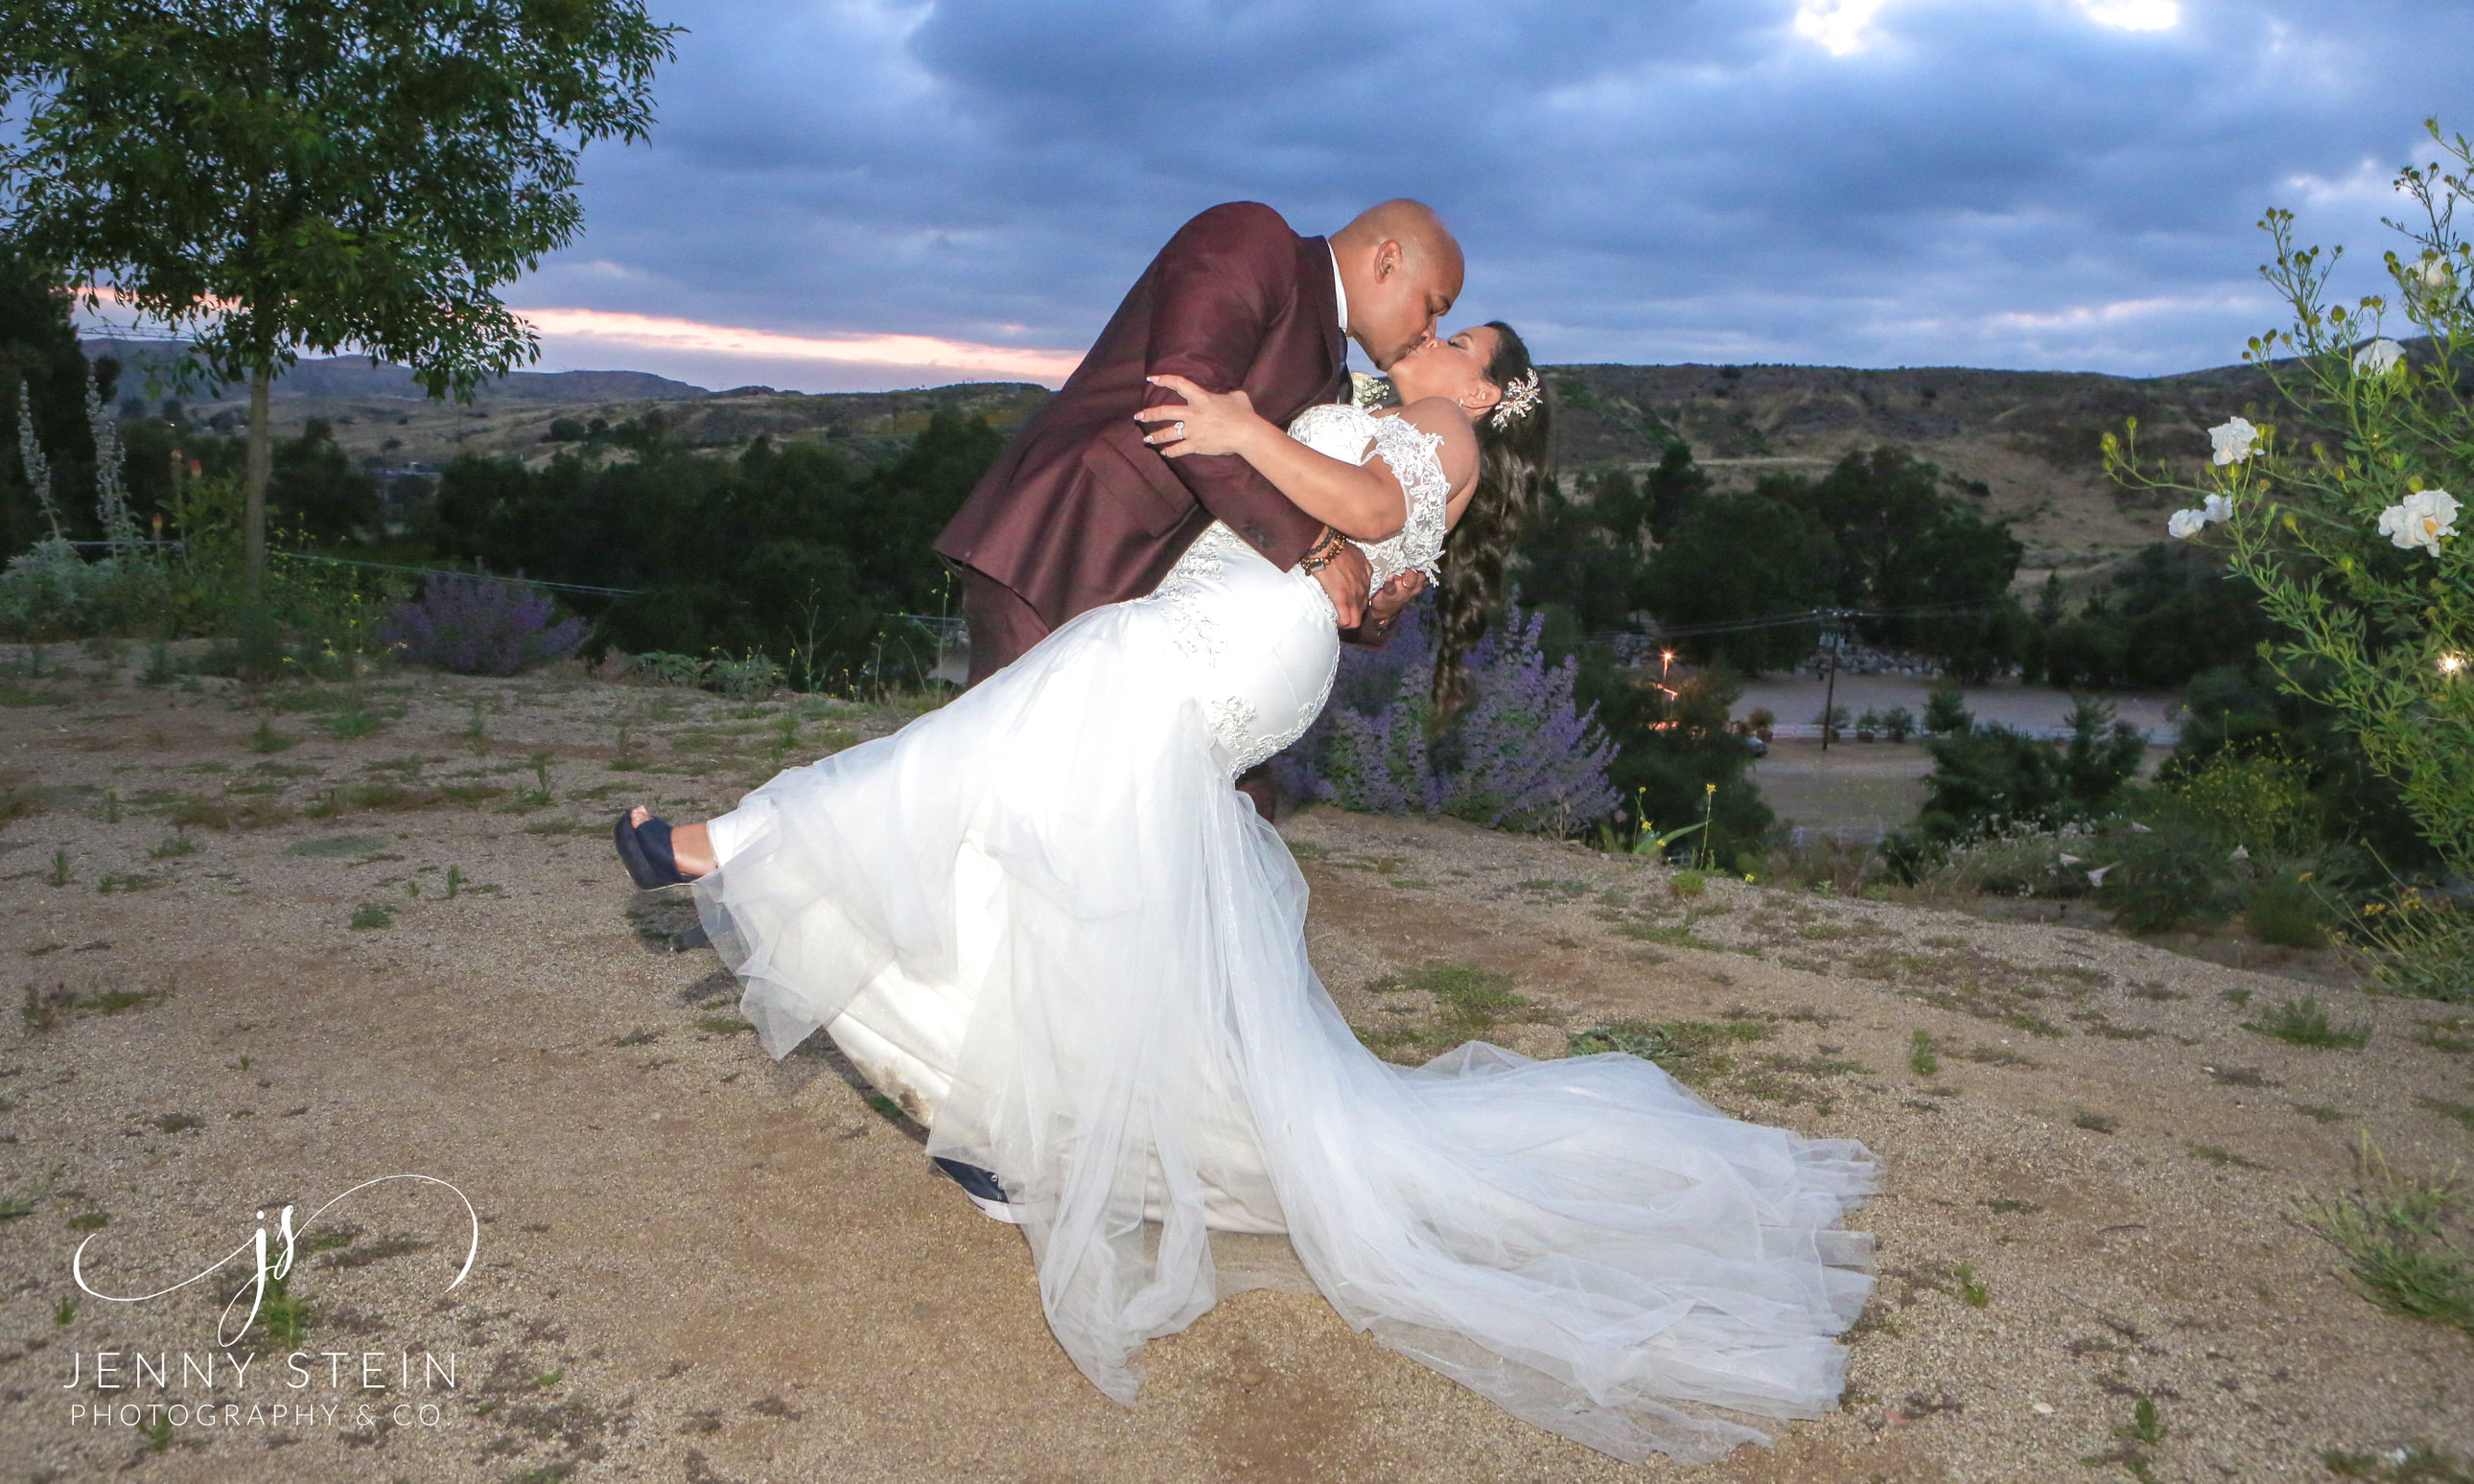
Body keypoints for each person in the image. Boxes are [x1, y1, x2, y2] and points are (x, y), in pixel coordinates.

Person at [609, 325, 1879, 1467]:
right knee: (1041, 846)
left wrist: (1240, 430)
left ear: (1487, 390)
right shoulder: (1387, 399)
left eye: (1457, 339)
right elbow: (1360, 532)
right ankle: (1010, 1129)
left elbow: (1375, 498)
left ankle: (738, 838)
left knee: (1026, 724)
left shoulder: (1438, 433)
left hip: (1241, 637)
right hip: (1249, 624)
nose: (1430, 338)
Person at [932, 197, 1460, 814]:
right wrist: (1317, 546)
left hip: (1155, 613)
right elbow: (1177, 406)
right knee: (998, 795)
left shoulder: (1334, 376)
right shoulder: (1254, 237)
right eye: (1435, 305)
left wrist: (1376, 610)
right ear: (1388, 260)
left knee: (1094, 821)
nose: (1430, 331)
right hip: (1069, 544)